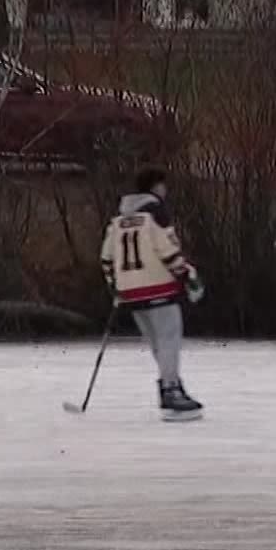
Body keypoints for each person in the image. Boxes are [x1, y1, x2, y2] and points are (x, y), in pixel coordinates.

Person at [100, 167, 206, 421]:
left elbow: (106, 258)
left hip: (130, 292)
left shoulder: (118, 220)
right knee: (169, 338)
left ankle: (171, 385)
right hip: (158, 287)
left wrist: (115, 286)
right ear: (156, 187)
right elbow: (166, 249)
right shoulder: (156, 213)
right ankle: (171, 391)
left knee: (157, 342)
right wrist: (188, 276)